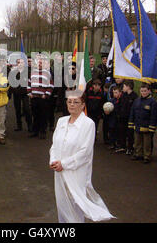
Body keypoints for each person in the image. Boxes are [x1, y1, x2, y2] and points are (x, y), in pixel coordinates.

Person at [49, 89, 115, 223]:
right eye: (69, 101)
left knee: (75, 203)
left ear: (83, 104)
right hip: (59, 171)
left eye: (76, 102)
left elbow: (85, 152)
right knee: (62, 204)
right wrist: (53, 161)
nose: (72, 104)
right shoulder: (61, 121)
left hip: (76, 172)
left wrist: (65, 164)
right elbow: (54, 145)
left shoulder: (88, 124)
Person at [129, 83, 157, 164]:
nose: (143, 93)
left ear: (149, 91)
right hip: (138, 125)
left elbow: (154, 115)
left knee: (147, 143)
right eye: (142, 91)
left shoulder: (152, 102)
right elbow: (132, 112)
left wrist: (152, 127)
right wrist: (131, 123)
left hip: (147, 126)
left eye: (145, 91)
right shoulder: (137, 101)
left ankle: (147, 156)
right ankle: (138, 154)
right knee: (137, 141)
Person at [28, 55, 53, 139]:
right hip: (33, 97)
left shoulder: (47, 73)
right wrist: (29, 93)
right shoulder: (32, 72)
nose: (40, 64)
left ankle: (43, 132)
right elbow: (28, 84)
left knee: (43, 115)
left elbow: (51, 85)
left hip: (43, 98)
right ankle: (35, 131)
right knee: (35, 115)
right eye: (39, 63)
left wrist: (46, 94)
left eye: (41, 63)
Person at [10, 58, 32, 132]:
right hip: (16, 94)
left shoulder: (28, 72)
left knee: (27, 109)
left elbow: (31, 82)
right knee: (17, 110)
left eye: (22, 62)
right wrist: (10, 94)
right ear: (17, 64)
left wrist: (30, 91)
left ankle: (30, 126)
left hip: (25, 94)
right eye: (18, 62)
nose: (20, 64)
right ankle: (19, 126)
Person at [121, 80, 138, 155]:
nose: (123, 88)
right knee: (123, 132)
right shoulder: (123, 95)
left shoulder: (134, 96)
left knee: (130, 134)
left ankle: (130, 148)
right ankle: (123, 146)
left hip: (130, 118)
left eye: (124, 86)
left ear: (128, 87)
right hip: (123, 117)